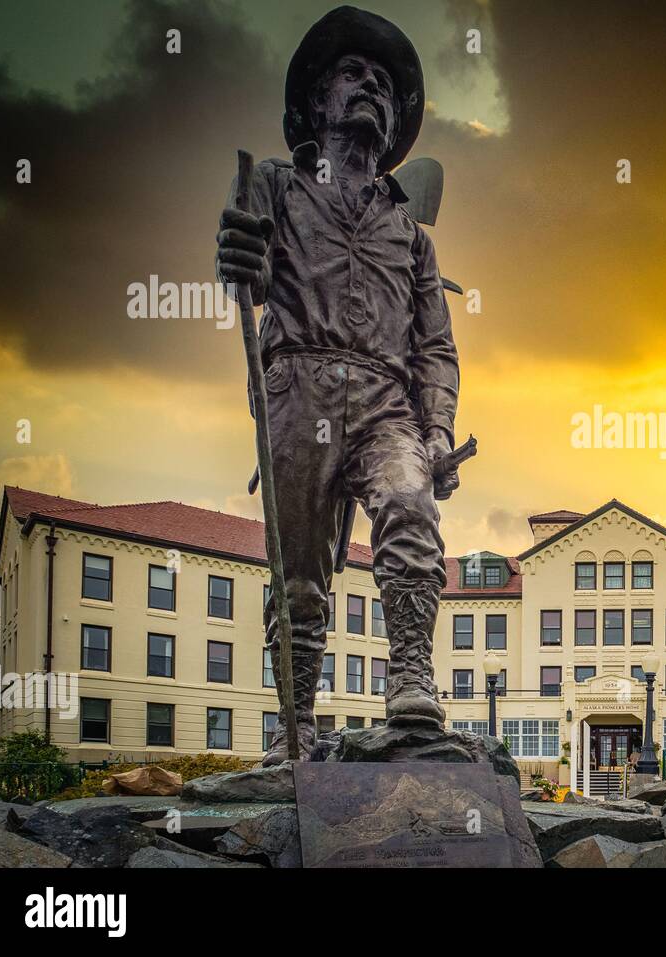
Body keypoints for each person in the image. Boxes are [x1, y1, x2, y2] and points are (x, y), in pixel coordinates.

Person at [215, 6, 459, 765]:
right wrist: (239, 258)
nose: (374, 91)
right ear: (317, 102)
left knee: (411, 504)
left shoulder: (412, 237)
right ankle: (296, 728)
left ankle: (412, 680)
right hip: (298, 385)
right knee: (300, 576)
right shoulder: (279, 187)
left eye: (386, 86)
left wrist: (440, 430)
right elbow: (243, 265)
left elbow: (437, 348)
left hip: (387, 401)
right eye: (356, 76)